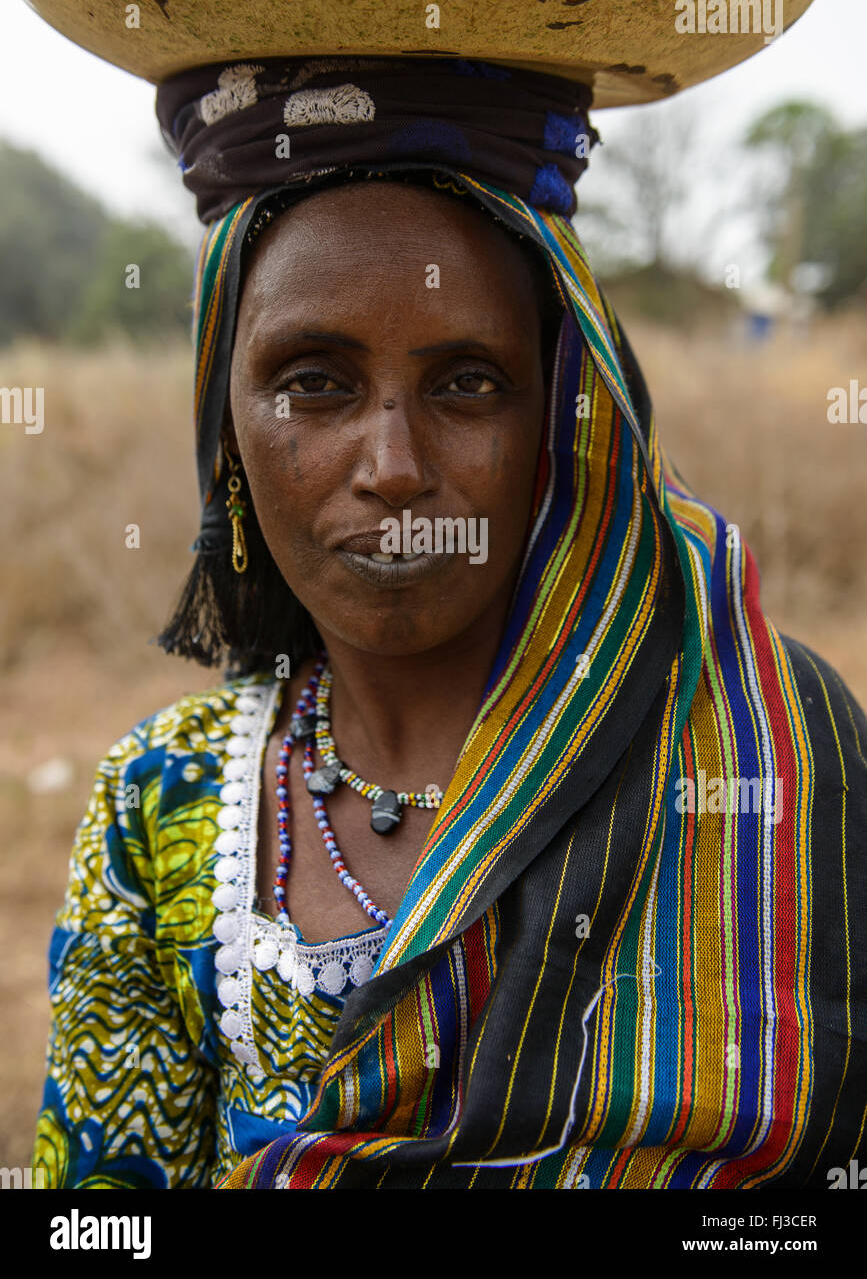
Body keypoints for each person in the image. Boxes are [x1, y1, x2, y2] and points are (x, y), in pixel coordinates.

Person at [33, 57, 866, 1190]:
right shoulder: (160, 805)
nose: (393, 468)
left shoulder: (767, 756)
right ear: (224, 422)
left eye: (468, 383)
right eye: (314, 381)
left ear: (568, 416)